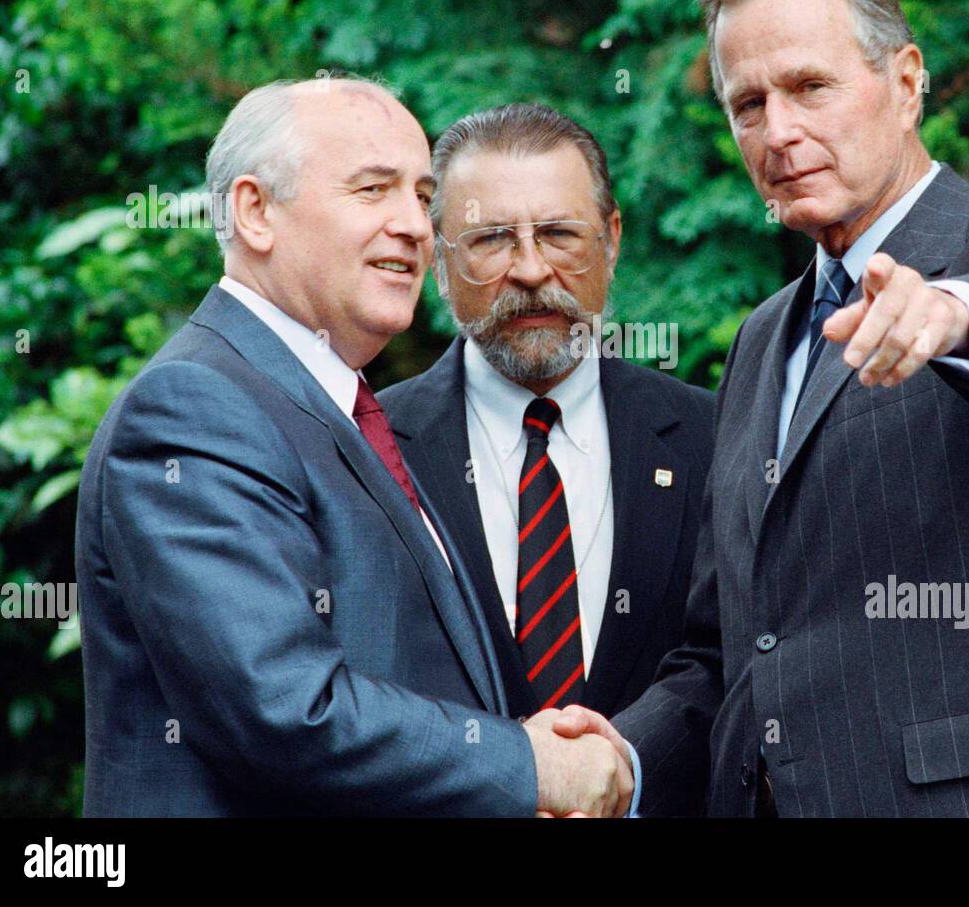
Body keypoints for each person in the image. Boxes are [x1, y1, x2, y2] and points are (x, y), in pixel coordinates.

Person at [559, 0, 969, 818]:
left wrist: (949, 314)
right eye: (749, 104)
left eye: (809, 87)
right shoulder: (761, 340)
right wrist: (624, 755)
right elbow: (727, 652)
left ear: (904, 84)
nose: (778, 133)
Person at [75, 76, 633, 817]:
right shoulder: (195, 407)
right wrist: (528, 766)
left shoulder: (337, 408)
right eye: (373, 190)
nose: (413, 224)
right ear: (254, 212)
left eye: (421, 195)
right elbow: (285, 710)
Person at [379, 104, 714, 741]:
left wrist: (624, 771)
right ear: (440, 260)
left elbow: (732, 660)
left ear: (611, 240)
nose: (531, 271)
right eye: (491, 239)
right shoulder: (368, 449)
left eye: (559, 234)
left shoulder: (715, 437)